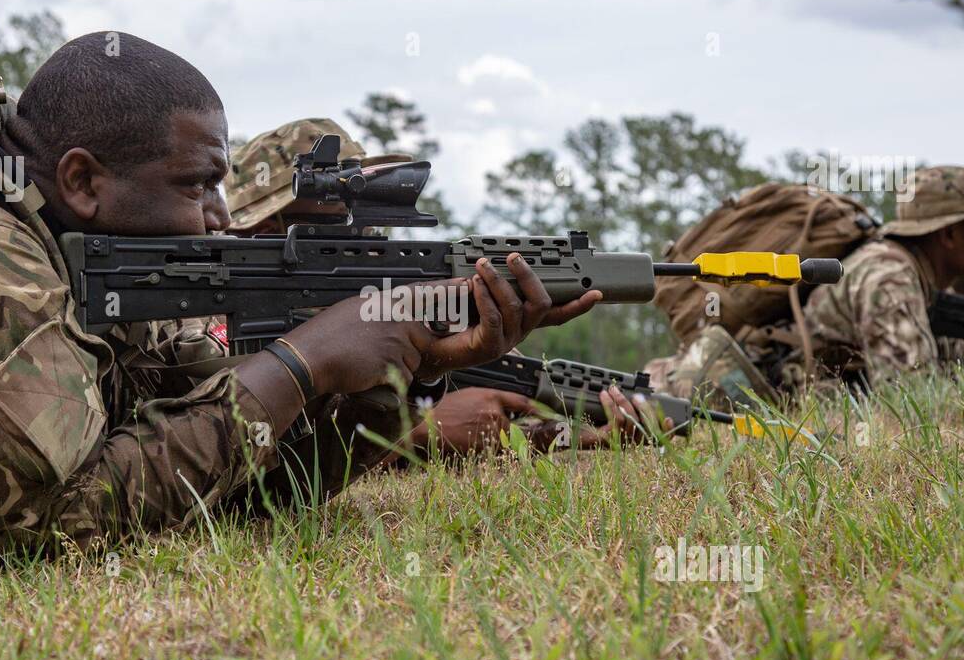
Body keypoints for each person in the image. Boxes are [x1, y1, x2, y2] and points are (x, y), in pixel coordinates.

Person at [0, 35, 599, 555]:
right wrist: (306, 361)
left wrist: (399, 374)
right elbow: (65, 519)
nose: (221, 215)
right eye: (199, 183)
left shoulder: (114, 264)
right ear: (84, 181)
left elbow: (248, 482)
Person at [224, 118, 655, 456]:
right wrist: (422, 432)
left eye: (371, 225)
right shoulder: (215, 318)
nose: (372, 243)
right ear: (266, 232)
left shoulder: (400, 313)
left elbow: (507, 421)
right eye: (345, 222)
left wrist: (582, 438)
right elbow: (227, 441)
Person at [650, 166, 964, 400]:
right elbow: (913, 398)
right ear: (948, 235)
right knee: (614, 406)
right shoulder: (888, 275)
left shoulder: (906, 273)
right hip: (721, 387)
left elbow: (950, 355)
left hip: (741, 384)